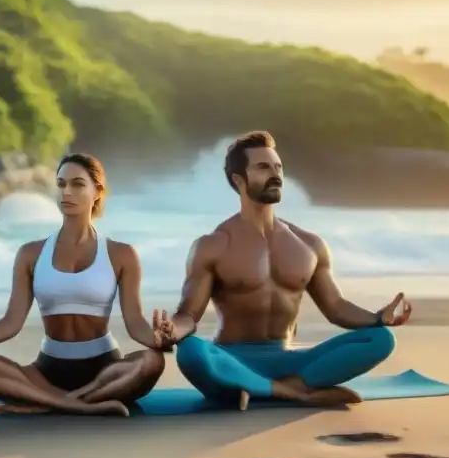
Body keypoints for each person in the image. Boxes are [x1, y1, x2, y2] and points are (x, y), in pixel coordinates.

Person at [152, 130, 412, 409]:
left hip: (290, 360)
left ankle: (275, 388)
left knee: (380, 339)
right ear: (239, 180)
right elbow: (189, 315)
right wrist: (172, 332)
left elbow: (335, 306)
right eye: (263, 167)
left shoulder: (308, 244)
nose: (275, 174)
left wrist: (377, 318)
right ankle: (294, 391)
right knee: (190, 350)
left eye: (278, 167)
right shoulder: (213, 245)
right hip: (232, 359)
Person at [0, 153, 169, 417]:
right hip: (48, 370)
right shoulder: (31, 253)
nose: (67, 192)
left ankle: (48, 402)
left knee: (152, 361)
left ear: (97, 191)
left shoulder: (121, 254)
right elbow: (12, 322)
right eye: (61, 184)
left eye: (78, 184)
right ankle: (75, 404)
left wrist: (158, 339)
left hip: (104, 370)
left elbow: (135, 323)